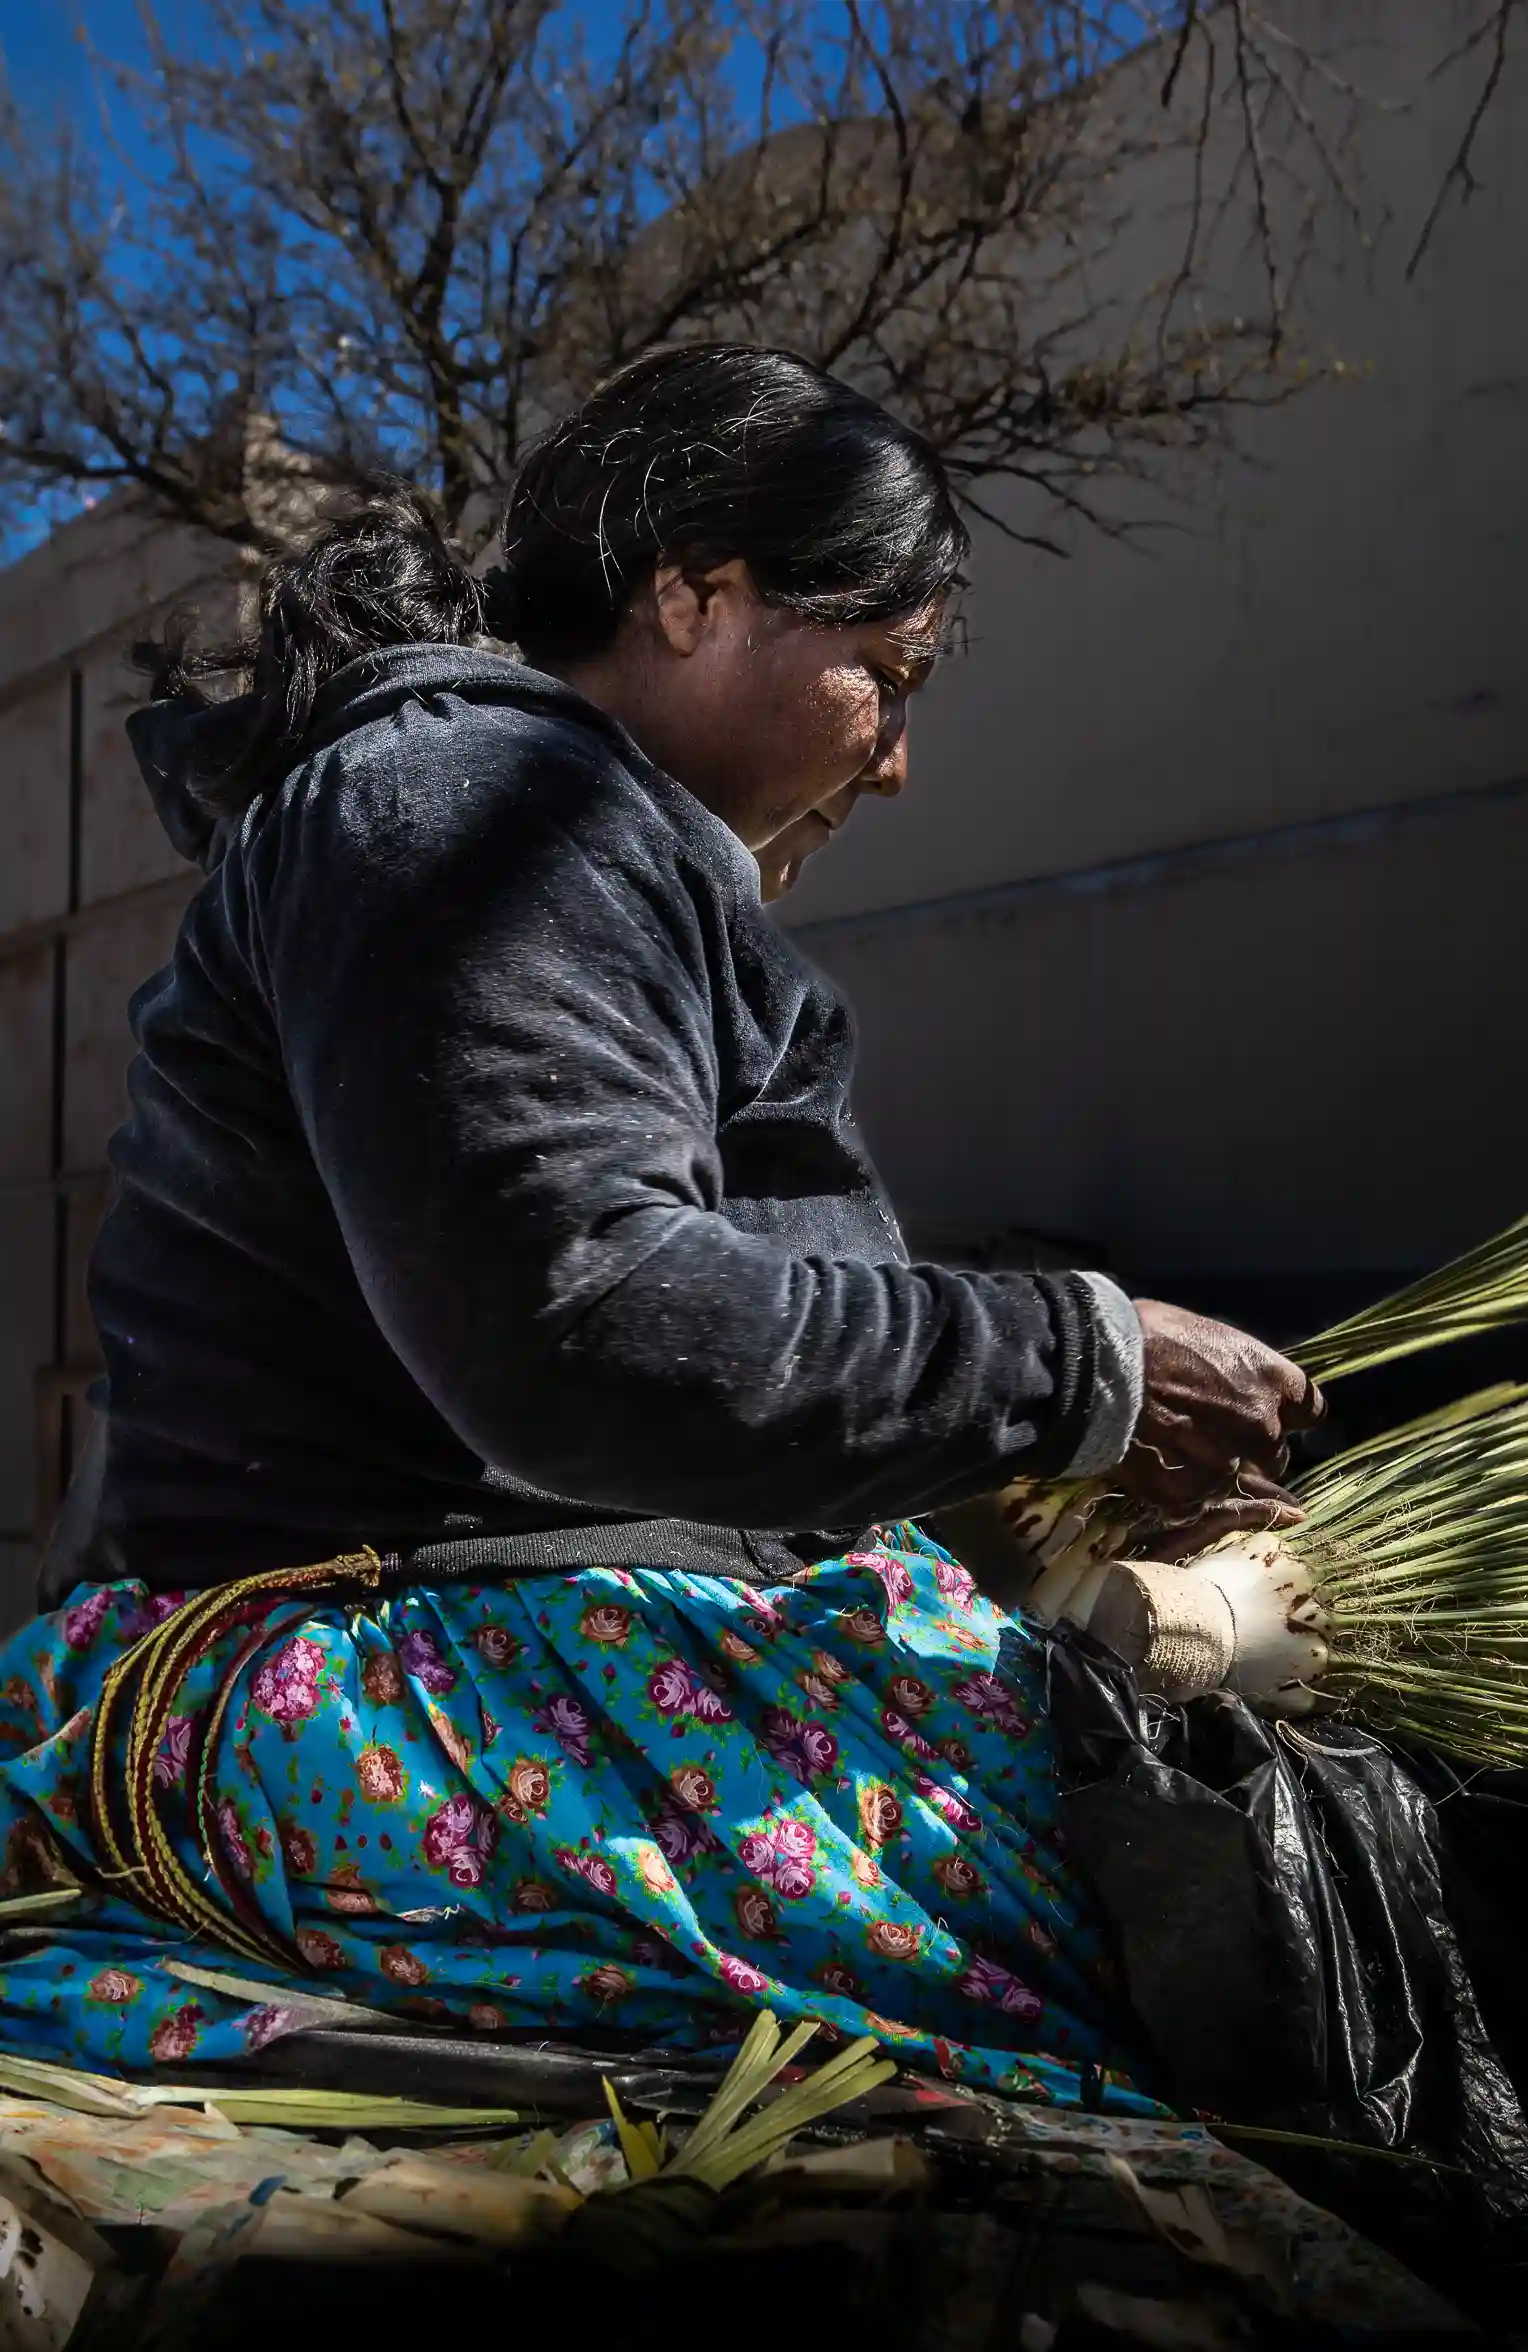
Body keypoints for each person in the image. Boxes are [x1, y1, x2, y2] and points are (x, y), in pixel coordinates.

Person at [0, 343, 1321, 2099]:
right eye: (886, 672)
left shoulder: (542, 826)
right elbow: (580, 1321)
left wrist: (1040, 1461)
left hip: (472, 1632)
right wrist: (1084, 1361)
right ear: (696, 592)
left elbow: (705, 1332)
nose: (900, 760)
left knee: (1283, 1854)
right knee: (1265, 1920)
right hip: (361, 1686)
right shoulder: (467, 805)